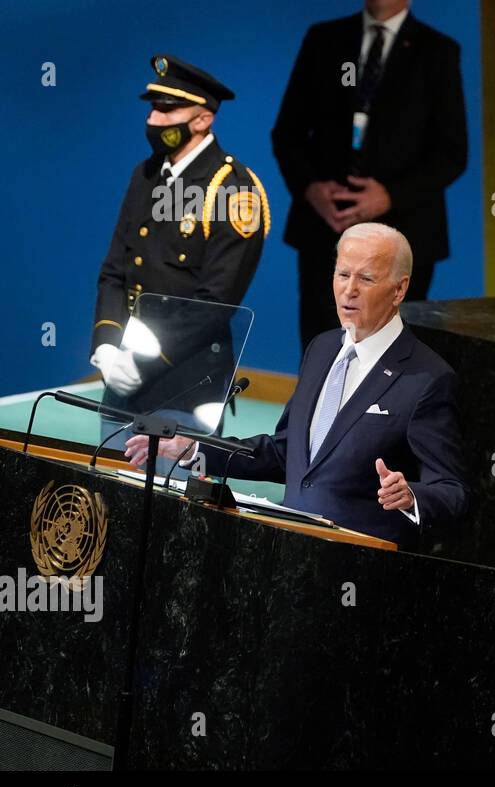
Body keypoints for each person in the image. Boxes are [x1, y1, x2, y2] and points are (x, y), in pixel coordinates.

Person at [125, 223, 467, 547]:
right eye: (342, 274)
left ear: (399, 289)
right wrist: (193, 449)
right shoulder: (322, 349)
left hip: (362, 566)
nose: (349, 290)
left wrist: (410, 497)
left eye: (366, 278)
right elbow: (284, 453)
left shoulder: (427, 378)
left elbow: (452, 490)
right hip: (291, 552)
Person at [273, 0, 468, 354]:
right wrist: (310, 189)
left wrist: (390, 196)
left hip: (407, 230)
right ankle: (317, 423)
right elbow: (286, 132)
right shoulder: (324, 40)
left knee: (392, 355)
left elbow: (453, 152)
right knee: (322, 346)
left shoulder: (439, 52)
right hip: (325, 229)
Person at [92, 54, 268, 447]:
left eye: (167, 110)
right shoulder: (147, 174)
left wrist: (144, 360)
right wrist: (106, 344)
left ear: (203, 119)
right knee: (109, 495)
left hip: (186, 382)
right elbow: (116, 271)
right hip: (123, 377)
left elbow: (215, 302)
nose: (153, 120)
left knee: (170, 502)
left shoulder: (234, 190)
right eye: (153, 108)